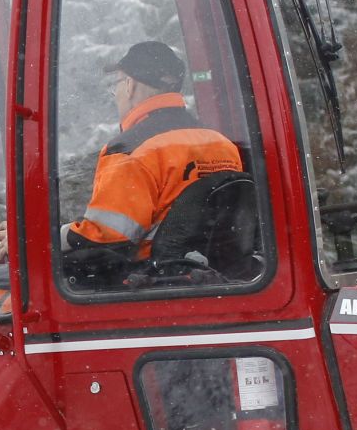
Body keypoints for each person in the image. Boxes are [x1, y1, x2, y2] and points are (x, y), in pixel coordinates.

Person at [63, 40, 244, 278]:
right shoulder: (222, 144)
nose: (116, 94)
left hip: (153, 284)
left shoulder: (131, 150)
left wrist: (45, 240)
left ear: (130, 85)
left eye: (116, 84)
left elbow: (104, 240)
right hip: (215, 278)